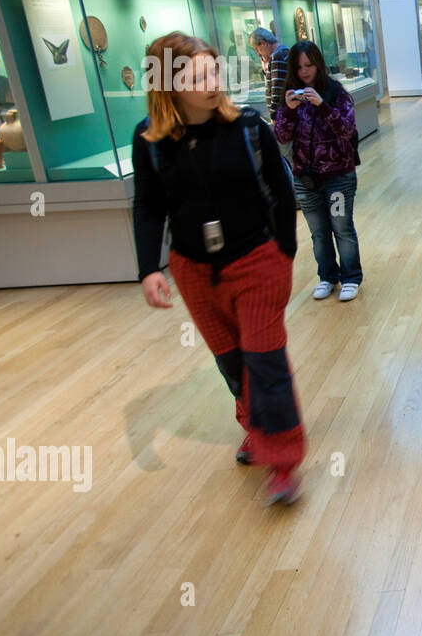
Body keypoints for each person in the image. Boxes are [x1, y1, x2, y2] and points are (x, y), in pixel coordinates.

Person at [132, 31, 304, 506]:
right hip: (193, 271)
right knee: (232, 363)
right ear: (167, 83)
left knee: (264, 358)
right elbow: (148, 206)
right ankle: (255, 424)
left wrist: (283, 254)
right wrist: (150, 268)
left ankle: (283, 459)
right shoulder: (150, 139)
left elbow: (281, 187)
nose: (211, 81)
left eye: (213, 70)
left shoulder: (248, 127)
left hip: (257, 263)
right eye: (195, 75)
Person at [275, 40, 364, 302]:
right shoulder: (290, 96)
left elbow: (347, 130)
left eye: (309, 65)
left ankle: (351, 276)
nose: (304, 72)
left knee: (341, 227)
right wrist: (290, 112)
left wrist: (323, 106)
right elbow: (281, 136)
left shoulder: (336, 93)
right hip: (305, 178)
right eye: (299, 67)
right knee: (318, 232)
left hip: (338, 176)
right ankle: (327, 276)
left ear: (318, 65)